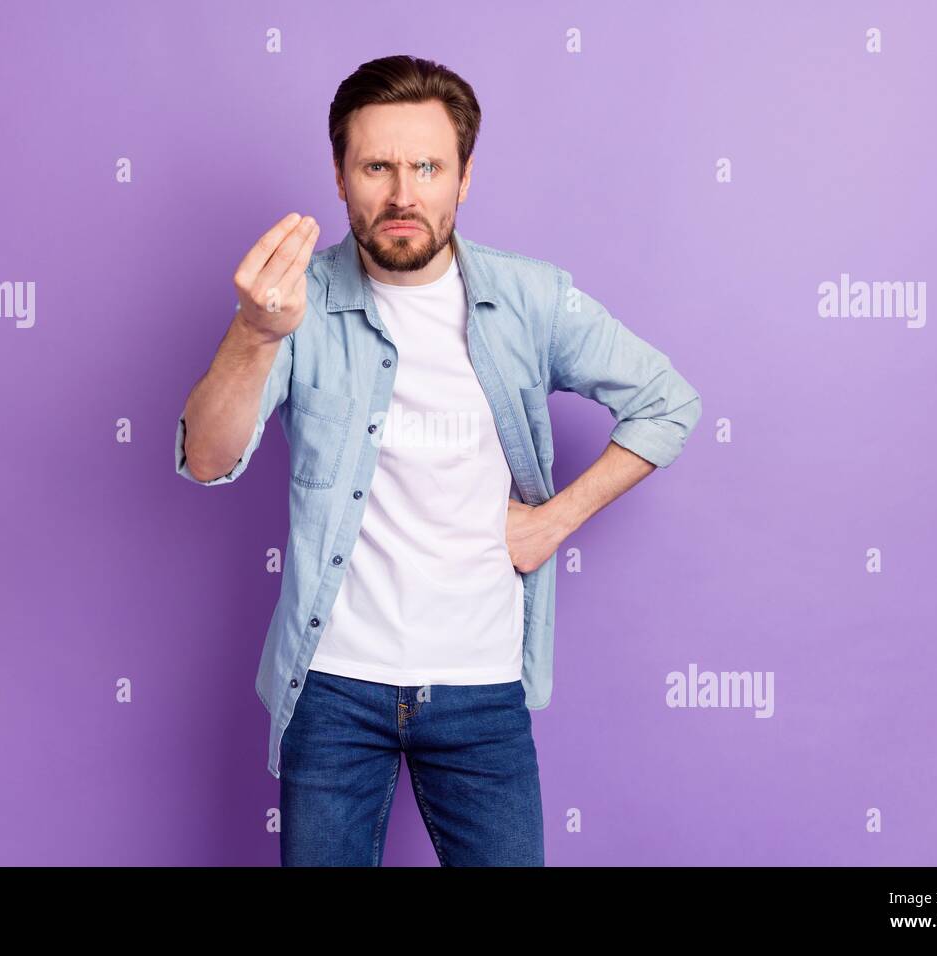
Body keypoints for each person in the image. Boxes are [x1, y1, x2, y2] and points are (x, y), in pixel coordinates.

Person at [176, 54, 702, 866]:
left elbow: (669, 401)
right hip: (331, 686)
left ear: (464, 177)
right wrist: (252, 334)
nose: (402, 193)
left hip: (482, 688)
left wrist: (553, 522)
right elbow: (208, 460)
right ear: (342, 176)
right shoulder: (296, 305)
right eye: (377, 166)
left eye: (427, 166)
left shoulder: (531, 300)